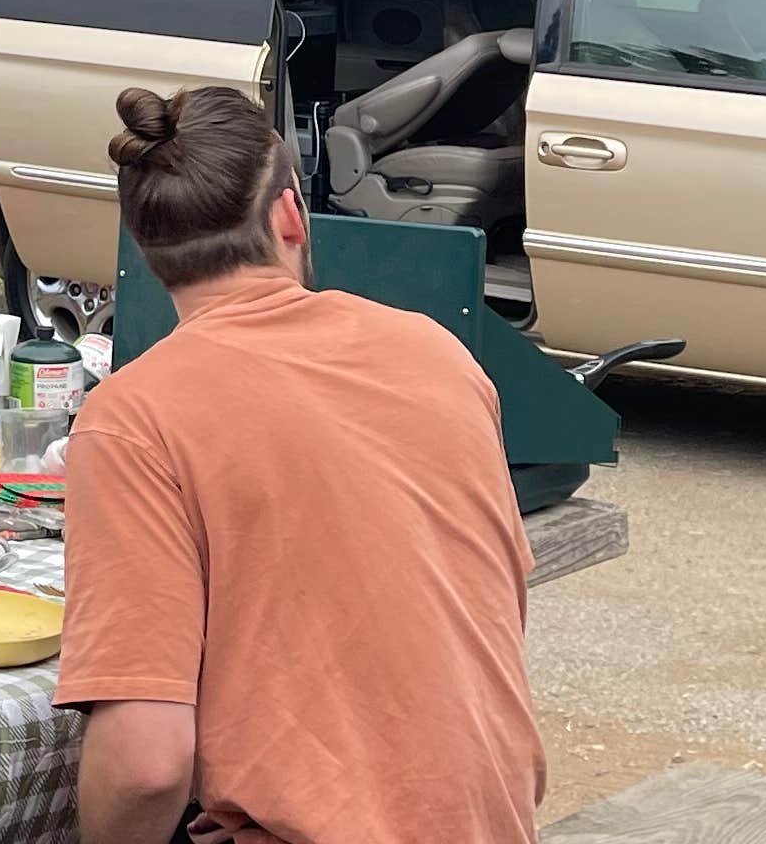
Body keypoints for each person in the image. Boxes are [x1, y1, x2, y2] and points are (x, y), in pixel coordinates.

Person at [56, 81, 541, 844]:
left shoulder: (133, 417)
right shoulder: (434, 352)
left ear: (149, 253)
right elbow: (482, 609)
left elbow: (146, 765)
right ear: (289, 215)